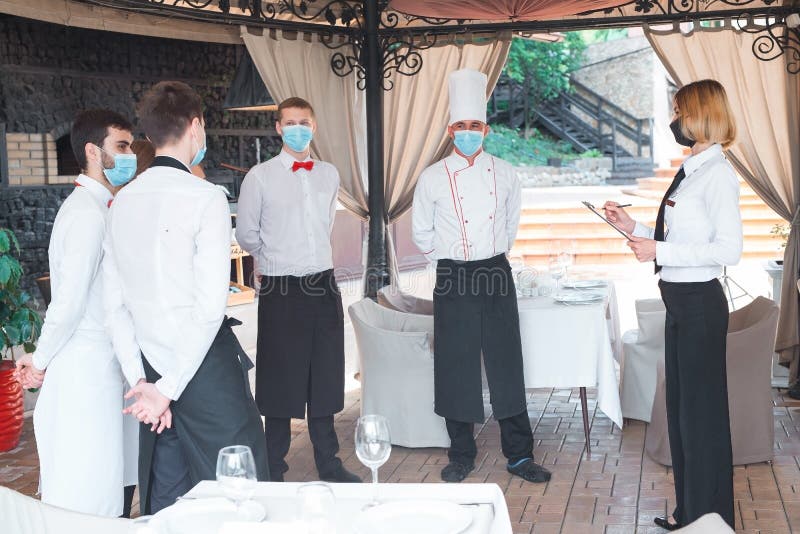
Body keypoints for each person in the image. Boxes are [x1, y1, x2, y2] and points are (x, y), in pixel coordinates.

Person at [104, 81, 269, 514]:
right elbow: (210, 307)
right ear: (195, 127)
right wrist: (166, 390)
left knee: (168, 499)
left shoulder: (120, 203)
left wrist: (142, 384)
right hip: (202, 372)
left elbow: (114, 306)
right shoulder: (206, 198)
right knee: (242, 493)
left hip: (153, 369)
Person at [604, 79, 741, 530]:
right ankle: (691, 514)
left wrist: (657, 252)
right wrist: (634, 227)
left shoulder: (718, 173)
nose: (674, 120)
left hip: (700, 304)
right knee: (684, 417)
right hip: (681, 303)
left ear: (699, 114)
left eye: (679, 111)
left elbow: (727, 250)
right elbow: (680, 236)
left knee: (702, 421)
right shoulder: (694, 167)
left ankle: (711, 519)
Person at [411, 69, 551, 484]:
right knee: (456, 365)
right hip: (453, 274)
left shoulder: (505, 173)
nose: (468, 132)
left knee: (507, 361)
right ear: (450, 129)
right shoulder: (432, 176)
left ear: (486, 129)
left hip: (494, 271)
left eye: (475, 126)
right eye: (461, 126)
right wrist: (453, 260)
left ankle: (520, 455)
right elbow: (422, 233)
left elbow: (509, 225)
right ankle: (461, 454)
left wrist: (486, 258)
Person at [14, 109, 139, 516]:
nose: (129, 155)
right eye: (120, 146)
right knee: (88, 486)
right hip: (86, 369)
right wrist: (40, 361)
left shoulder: (104, 206)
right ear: (92, 150)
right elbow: (66, 302)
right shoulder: (85, 213)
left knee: (112, 476)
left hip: (106, 364)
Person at [235, 97, 360, 483]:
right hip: (281, 287)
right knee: (279, 379)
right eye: (289, 123)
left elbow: (324, 225)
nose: (297, 128)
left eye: (304, 122)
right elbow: (246, 233)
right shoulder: (260, 176)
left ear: (314, 126)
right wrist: (275, 260)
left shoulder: (329, 175)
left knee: (325, 374)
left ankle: (329, 463)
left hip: (322, 282)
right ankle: (274, 466)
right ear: (278, 128)